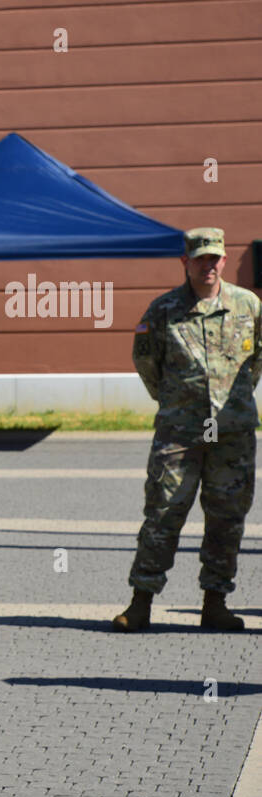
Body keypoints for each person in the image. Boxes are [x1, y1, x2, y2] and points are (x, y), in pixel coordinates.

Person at [113, 227, 262, 633]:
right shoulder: (163, 311)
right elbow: (146, 362)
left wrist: (236, 401)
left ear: (225, 260)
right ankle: (141, 602)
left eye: (214, 257)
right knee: (163, 513)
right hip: (180, 433)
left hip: (231, 434)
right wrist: (175, 401)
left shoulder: (248, 305)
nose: (208, 265)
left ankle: (215, 604)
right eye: (200, 258)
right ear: (185, 263)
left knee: (227, 519)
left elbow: (256, 360)